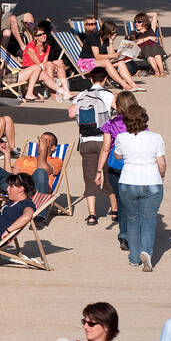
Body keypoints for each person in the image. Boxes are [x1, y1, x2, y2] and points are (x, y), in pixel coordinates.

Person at [111, 100, 167, 271]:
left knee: (132, 220)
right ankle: (146, 252)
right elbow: (162, 163)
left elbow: (118, 156)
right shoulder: (155, 137)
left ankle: (134, 257)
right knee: (149, 220)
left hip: (128, 181)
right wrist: (161, 176)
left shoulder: (121, 137)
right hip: (151, 180)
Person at [70, 67, 118, 225]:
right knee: (109, 175)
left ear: (90, 79)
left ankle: (92, 215)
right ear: (105, 79)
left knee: (89, 178)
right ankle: (115, 211)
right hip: (105, 140)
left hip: (86, 141)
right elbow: (122, 109)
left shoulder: (82, 95)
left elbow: (71, 113)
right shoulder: (108, 95)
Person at [95, 90, 140, 246]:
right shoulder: (139, 123)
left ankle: (124, 234)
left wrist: (99, 170)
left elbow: (106, 148)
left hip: (116, 167)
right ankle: (134, 232)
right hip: (135, 165)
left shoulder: (112, 124)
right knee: (134, 201)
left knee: (122, 202)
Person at [81, 19, 143, 90]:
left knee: (120, 61)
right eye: (113, 33)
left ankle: (133, 84)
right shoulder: (94, 37)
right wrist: (113, 56)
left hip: (100, 62)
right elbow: (97, 56)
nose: (115, 34)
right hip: (85, 63)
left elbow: (111, 54)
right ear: (106, 31)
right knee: (106, 62)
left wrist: (111, 41)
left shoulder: (106, 38)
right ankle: (124, 85)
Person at [18, 26, 72, 102]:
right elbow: (39, 64)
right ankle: (53, 93)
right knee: (51, 64)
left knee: (59, 65)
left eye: (44, 33)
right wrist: (53, 62)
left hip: (40, 70)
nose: (43, 36)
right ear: (35, 37)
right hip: (30, 70)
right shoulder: (30, 47)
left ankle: (66, 92)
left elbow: (44, 64)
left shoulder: (47, 47)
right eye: (40, 35)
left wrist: (55, 63)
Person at [129, 12, 167, 77]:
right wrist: (148, 38)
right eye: (135, 22)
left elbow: (155, 14)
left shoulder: (151, 30)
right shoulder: (134, 32)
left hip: (154, 46)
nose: (136, 23)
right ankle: (156, 71)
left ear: (144, 22)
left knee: (156, 50)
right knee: (147, 48)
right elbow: (134, 43)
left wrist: (144, 15)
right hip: (142, 49)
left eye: (139, 22)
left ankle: (162, 71)